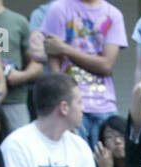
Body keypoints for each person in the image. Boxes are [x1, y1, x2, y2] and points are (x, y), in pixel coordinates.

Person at [35, 0, 128, 147]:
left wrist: (65, 49)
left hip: (105, 105)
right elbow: (54, 67)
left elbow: (106, 65)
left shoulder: (114, 15)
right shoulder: (59, 9)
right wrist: (60, 105)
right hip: (70, 104)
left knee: (106, 165)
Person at [0, 0, 42, 133]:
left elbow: (37, 62)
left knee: (19, 147)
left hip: (15, 100)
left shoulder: (19, 21)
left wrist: (22, 76)